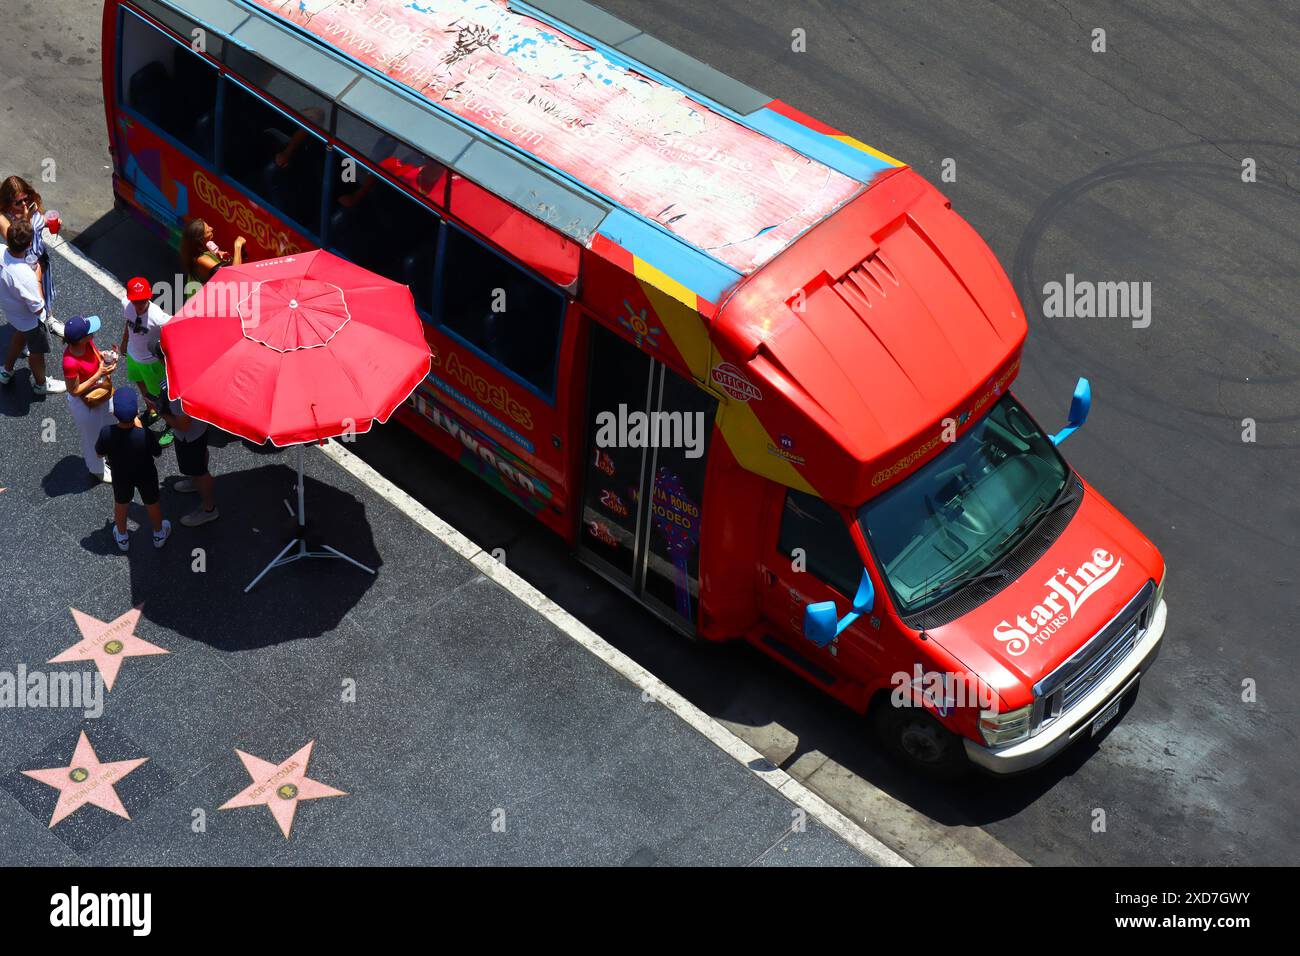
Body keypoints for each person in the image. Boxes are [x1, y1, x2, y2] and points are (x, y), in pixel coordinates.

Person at [95, 389, 172, 552]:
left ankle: (122, 536)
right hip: (146, 474)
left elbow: (99, 453)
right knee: (152, 502)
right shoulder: (145, 434)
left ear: (114, 413)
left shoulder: (106, 433)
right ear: (137, 412)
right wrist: (140, 426)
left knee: (121, 504)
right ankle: (158, 533)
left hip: (121, 476)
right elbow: (157, 453)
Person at [0, 219, 64, 393]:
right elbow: (38, 308)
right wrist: (37, 275)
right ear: (29, 244)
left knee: (19, 336)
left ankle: (6, 371)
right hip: (31, 321)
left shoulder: (0, 251)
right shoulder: (24, 275)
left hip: (13, 313)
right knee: (37, 352)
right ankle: (41, 384)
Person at [62, 315, 118, 484]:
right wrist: (99, 374)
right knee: (92, 438)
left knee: (112, 421)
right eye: (89, 331)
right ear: (80, 339)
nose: (93, 332)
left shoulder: (88, 343)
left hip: (101, 392)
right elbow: (74, 391)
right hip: (85, 404)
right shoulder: (70, 362)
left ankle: (110, 451)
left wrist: (106, 356)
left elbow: (95, 357)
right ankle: (97, 470)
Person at [157, 374, 219, 527]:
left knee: (200, 472)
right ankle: (195, 481)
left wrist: (160, 412)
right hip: (201, 428)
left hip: (189, 437)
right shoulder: (190, 373)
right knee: (199, 461)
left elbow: (183, 425)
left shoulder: (177, 392)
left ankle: (209, 510)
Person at [119, 276, 173, 446]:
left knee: (162, 396)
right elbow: (128, 325)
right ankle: (152, 410)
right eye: (135, 301)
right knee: (140, 384)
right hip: (133, 356)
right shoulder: (126, 306)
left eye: (142, 300)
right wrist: (124, 342)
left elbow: (175, 331)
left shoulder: (158, 317)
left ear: (149, 297)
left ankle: (171, 425)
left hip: (151, 362)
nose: (139, 304)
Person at [0, 175, 58, 331]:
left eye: (25, 199)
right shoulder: (4, 218)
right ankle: (27, 336)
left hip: (40, 261)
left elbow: (41, 222)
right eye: (18, 202)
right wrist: (26, 218)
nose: (24, 204)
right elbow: (16, 237)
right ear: (7, 203)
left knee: (46, 293)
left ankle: (50, 319)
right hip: (23, 269)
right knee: (27, 306)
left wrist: (51, 222)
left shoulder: (32, 208)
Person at [179, 218, 245, 292]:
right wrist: (238, 246)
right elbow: (234, 276)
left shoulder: (201, 248)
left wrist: (218, 254)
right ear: (201, 240)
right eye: (208, 231)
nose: (212, 228)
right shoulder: (202, 260)